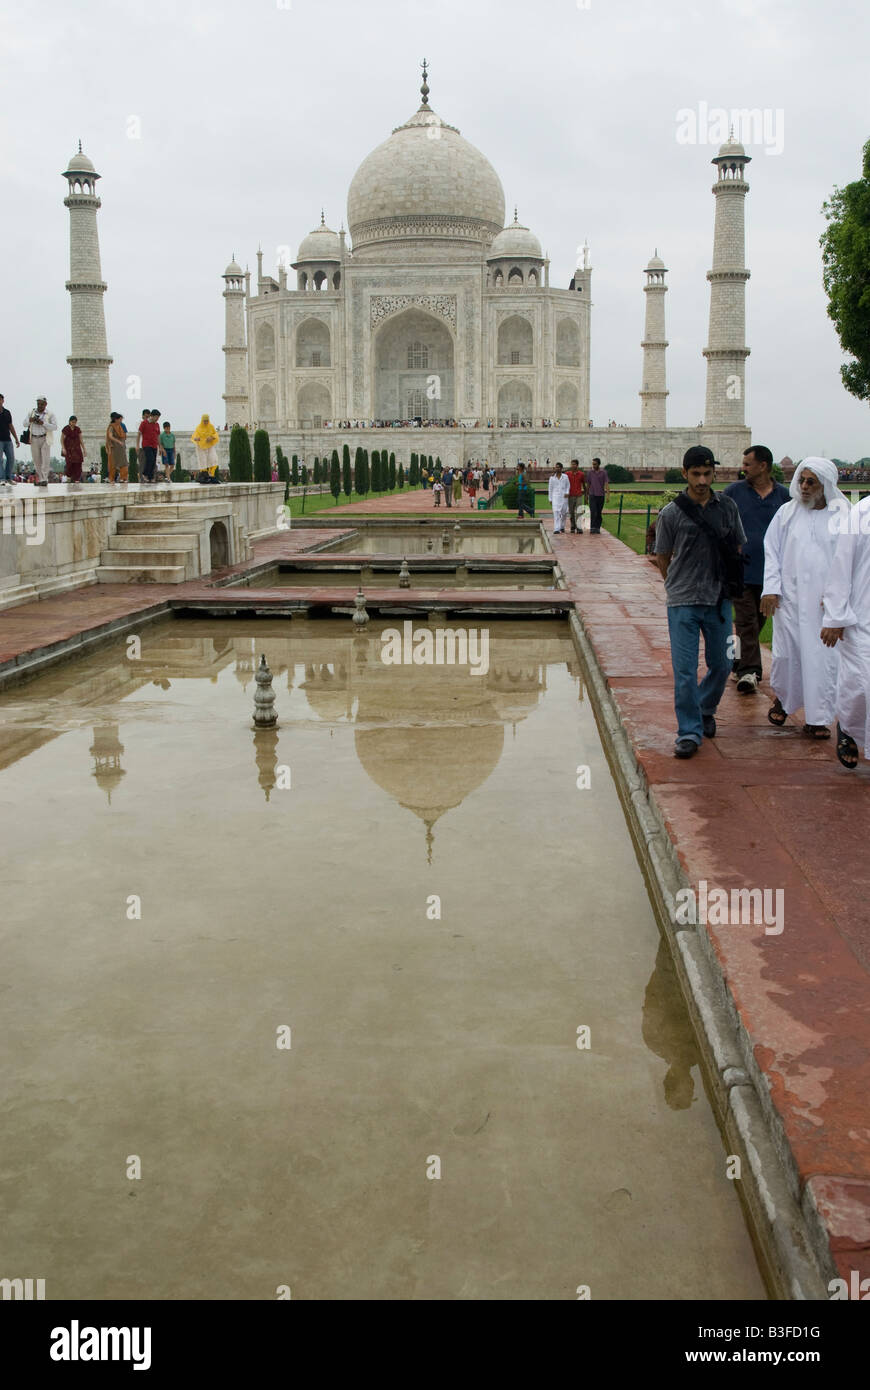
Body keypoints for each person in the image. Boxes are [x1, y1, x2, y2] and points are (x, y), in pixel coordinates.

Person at [654, 445, 746, 758]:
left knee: (723, 664)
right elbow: (662, 556)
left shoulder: (728, 507)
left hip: (719, 600)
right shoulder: (671, 513)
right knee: (684, 671)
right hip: (683, 601)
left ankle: (706, 707)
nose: (702, 480)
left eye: (707, 473)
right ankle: (689, 732)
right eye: (696, 474)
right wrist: (675, 584)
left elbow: (737, 548)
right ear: (685, 474)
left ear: (714, 473)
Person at [760, 459, 847, 739]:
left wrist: (838, 598)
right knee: (786, 655)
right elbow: (771, 550)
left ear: (826, 485)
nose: (805, 487)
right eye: (802, 481)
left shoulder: (843, 516)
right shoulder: (787, 512)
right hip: (790, 600)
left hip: (824, 605)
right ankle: (784, 701)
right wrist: (771, 588)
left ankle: (818, 718)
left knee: (821, 659)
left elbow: (851, 562)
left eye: (812, 482)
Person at [724, 445, 790, 694]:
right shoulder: (734, 492)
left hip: (771, 574)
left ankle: (736, 660)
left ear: (763, 466)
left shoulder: (783, 497)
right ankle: (750, 673)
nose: (743, 468)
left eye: (747, 464)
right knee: (747, 620)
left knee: (755, 622)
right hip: (741, 571)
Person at [821, 491, 870, 769]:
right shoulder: (862, 512)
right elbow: (842, 565)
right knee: (861, 685)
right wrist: (835, 617)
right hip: (862, 616)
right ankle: (849, 727)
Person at [22, 396, 57, 487]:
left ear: (45, 404)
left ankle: (44, 479)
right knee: (36, 460)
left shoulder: (50, 414)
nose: (40, 406)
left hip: (45, 438)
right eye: (38, 404)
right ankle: (41, 479)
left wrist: (43, 423)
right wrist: (30, 420)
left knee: (45, 460)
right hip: (34, 438)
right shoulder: (32, 412)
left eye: (42, 404)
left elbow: (55, 427)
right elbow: (24, 424)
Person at [0, 394, 20, 491]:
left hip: (7, 439)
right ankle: (2, 478)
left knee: (11, 458)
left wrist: (16, 438)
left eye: (0, 400)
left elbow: (10, 426)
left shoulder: (7, 412)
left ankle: (8, 478)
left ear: (3, 401)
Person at [191, 413, 220, 478]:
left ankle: (211, 475)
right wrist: (196, 438)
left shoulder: (211, 426)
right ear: (202, 420)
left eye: (207, 421)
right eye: (204, 421)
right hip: (201, 447)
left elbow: (216, 434)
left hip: (209, 446)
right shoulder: (199, 427)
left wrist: (212, 437)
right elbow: (194, 436)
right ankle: (204, 476)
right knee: (203, 462)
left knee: (213, 460)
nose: (206, 422)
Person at [60, 415, 86, 484]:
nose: (73, 423)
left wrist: (84, 450)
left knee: (78, 465)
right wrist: (63, 448)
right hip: (68, 450)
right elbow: (62, 439)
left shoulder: (78, 429)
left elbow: (81, 440)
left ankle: (76, 479)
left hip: (77, 450)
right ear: (69, 421)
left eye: (75, 422)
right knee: (69, 464)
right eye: (72, 422)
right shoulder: (66, 429)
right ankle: (69, 476)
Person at [586, 456, 608, 533]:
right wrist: (586, 496)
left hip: (601, 495)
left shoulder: (603, 472)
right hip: (592, 495)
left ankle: (597, 528)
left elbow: (606, 484)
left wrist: (608, 495)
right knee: (593, 512)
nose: (593, 466)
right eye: (593, 464)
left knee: (599, 512)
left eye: (595, 464)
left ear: (599, 464)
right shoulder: (590, 473)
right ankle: (592, 528)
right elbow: (588, 485)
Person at [138, 408, 160, 484]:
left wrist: (160, 447)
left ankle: (150, 477)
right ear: (152, 416)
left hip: (154, 445)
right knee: (150, 459)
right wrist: (137, 445)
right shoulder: (144, 423)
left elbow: (158, 436)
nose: (157, 419)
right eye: (157, 417)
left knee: (153, 461)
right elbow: (139, 433)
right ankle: (144, 474)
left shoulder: (157, 424)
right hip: (146, 444)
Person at [548, 462, 570, 534]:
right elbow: (550, 489)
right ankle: (556, 528)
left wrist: (567, 492)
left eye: (559, 467)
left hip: (564, 497)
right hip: (555, 497)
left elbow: (568, 485)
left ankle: (562, 526)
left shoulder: (565, 477)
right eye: (556, 467)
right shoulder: (552, 478)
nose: (557, 468)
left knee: (564, 512)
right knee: (556, 512)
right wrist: (550, 499)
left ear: (561, 468)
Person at [106, 412, 127, 484]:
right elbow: (110, 436)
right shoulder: (111, 426)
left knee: (123, 462)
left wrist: (122, 443)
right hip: (114, 447)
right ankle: (111, 479)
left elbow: (124, 436)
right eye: (120, 419)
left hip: (121, 448)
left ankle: (123, 478)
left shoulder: (121, 426)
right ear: (116, 419)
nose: (121, 421)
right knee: (113, 463)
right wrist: (118, 441)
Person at [566, 459, 585, 533]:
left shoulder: (581, 474)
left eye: (574, 464)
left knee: (579, 511)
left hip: (579, 495)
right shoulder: (567, 474)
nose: (573, 466)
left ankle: (579, 527)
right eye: (572, 464)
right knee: (571, 512)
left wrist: (586, 495)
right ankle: (573, 525)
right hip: (570, 495)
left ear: (577, 465)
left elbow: (584, 485)